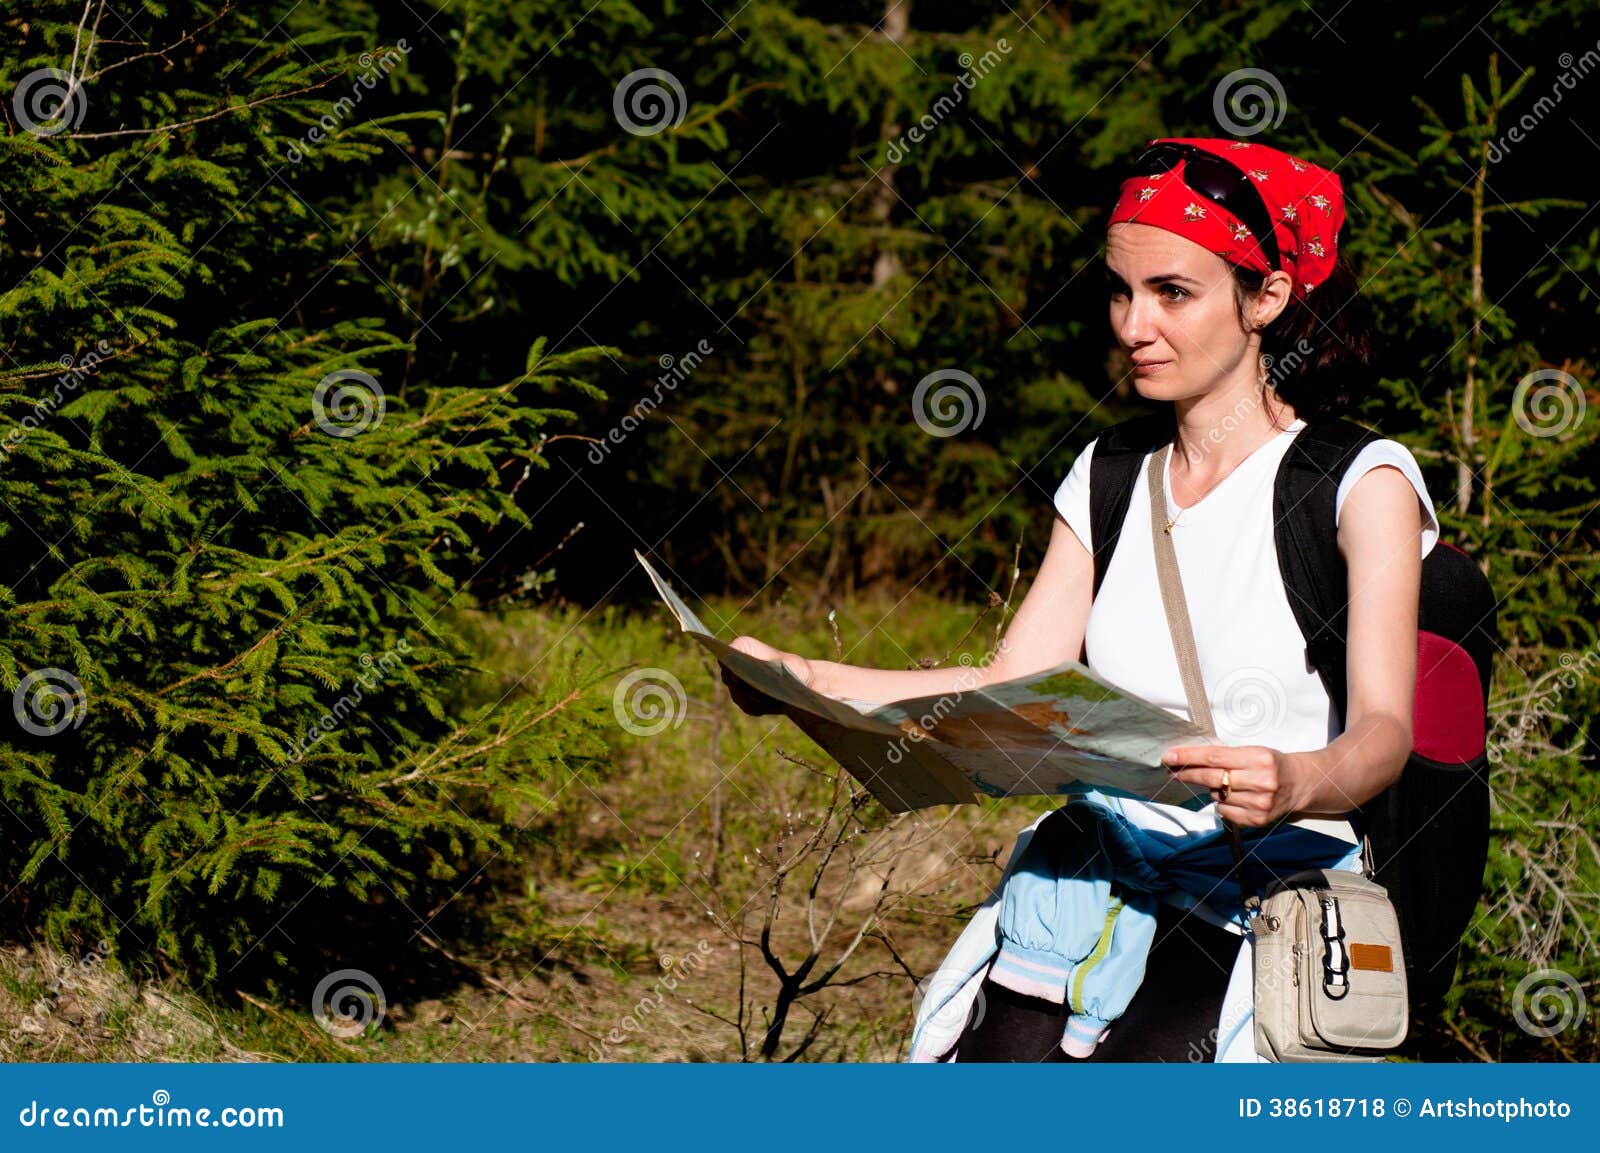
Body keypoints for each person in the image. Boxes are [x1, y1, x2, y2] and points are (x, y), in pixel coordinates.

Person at [723, 136, 1439, 1062]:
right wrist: (808, 679)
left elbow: (1385, 731)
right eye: (1120, 290)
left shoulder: (1357, 480)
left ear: (1266, 297)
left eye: (1172, 292)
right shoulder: (1109, 472)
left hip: (1264, 897)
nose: (1135, 324)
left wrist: (1298, 779)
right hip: (1088, 883)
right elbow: (1009, 683)